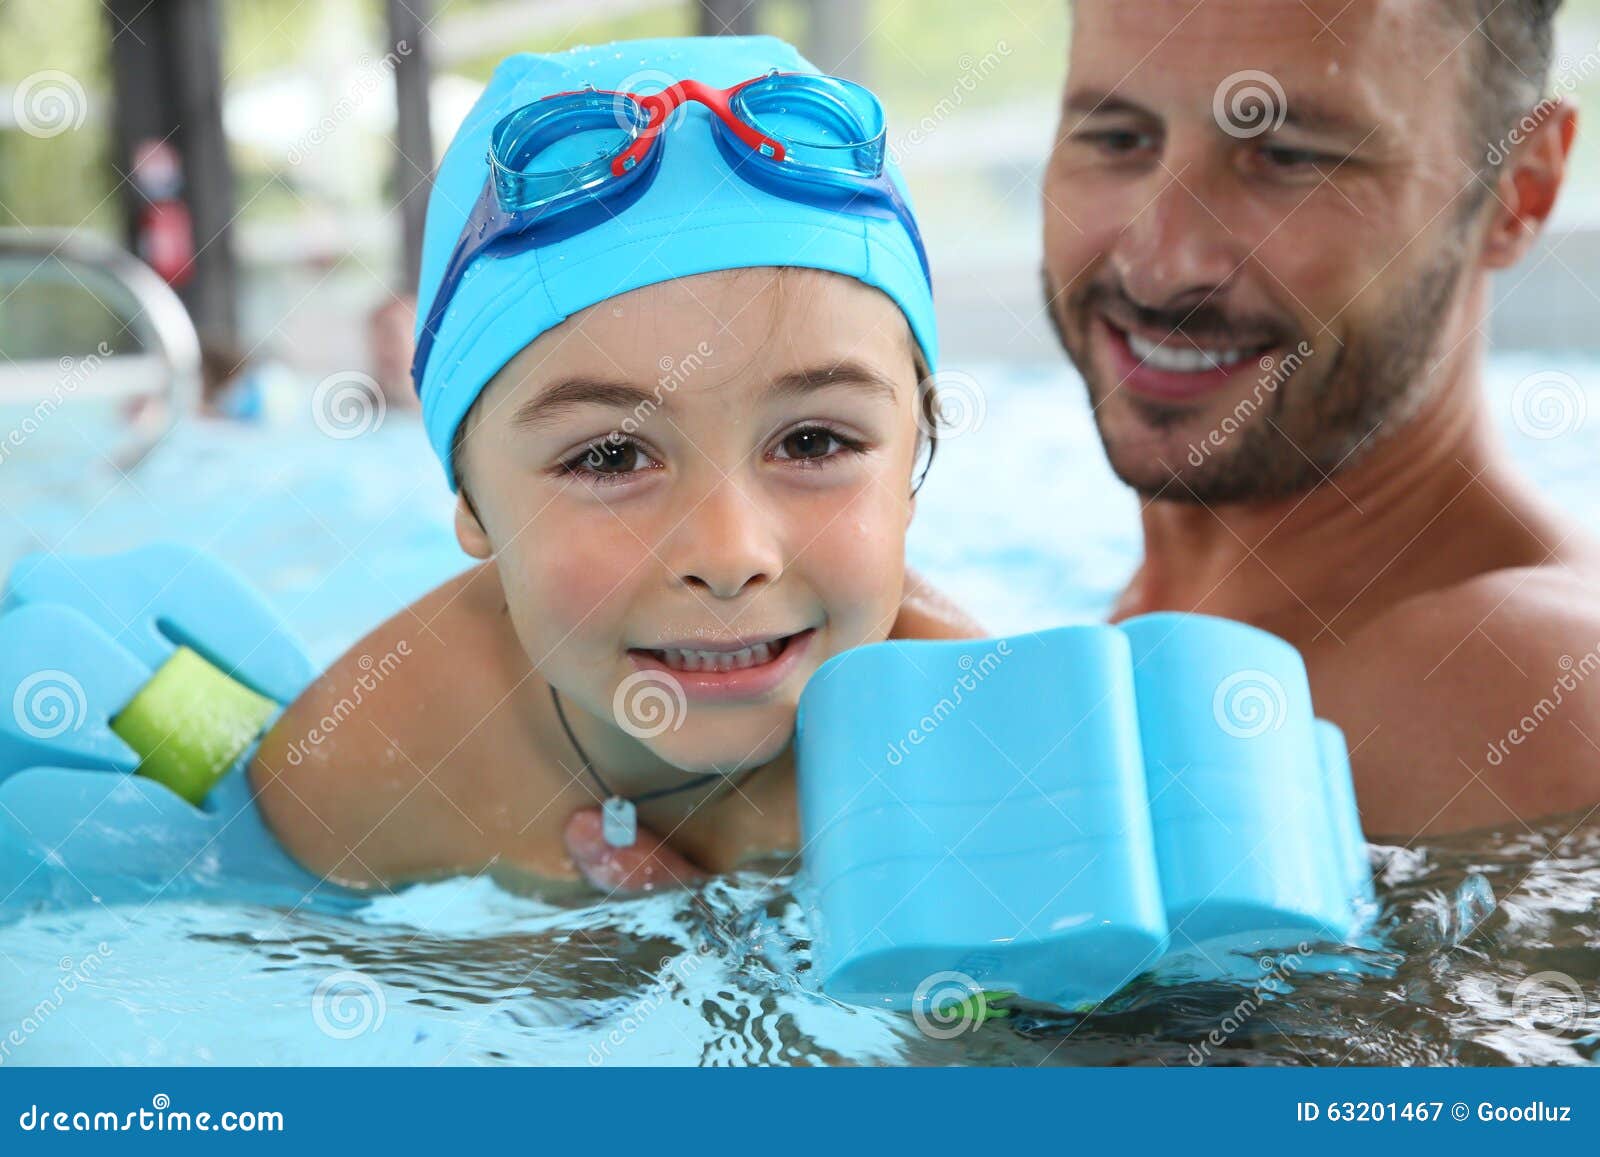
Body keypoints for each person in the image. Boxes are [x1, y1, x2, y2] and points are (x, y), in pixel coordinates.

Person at [248, 36, 980, 895]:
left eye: (813, 442)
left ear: (911, 473)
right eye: (612, 454)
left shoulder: (972, 752)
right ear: (474, 504)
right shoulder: (363, 769)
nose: (729, 551)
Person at [1042, 0, 1600, 838]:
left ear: (1519, 190)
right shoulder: (1147, 636)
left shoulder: (1513, 685)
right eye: (1118, 137)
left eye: (1288, 156)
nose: (1158, 262)